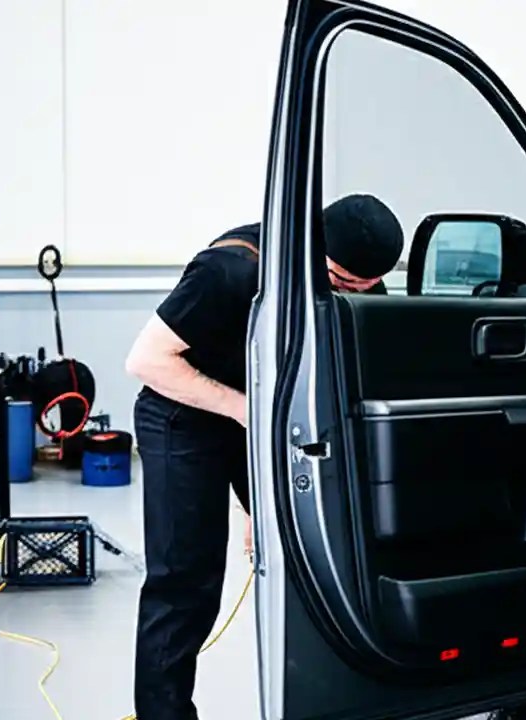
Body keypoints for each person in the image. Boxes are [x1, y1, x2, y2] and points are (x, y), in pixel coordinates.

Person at [124, 193, 404, 720]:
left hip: (262, 415)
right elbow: (146, 361)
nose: (343, 294)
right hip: (183, 411)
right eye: (339, 282)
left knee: (315, 556)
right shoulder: (228, 271)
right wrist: (247, 413)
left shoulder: (361, 283)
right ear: (312, 247)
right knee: (185, 583)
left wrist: (262, 496)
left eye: (361, 290)